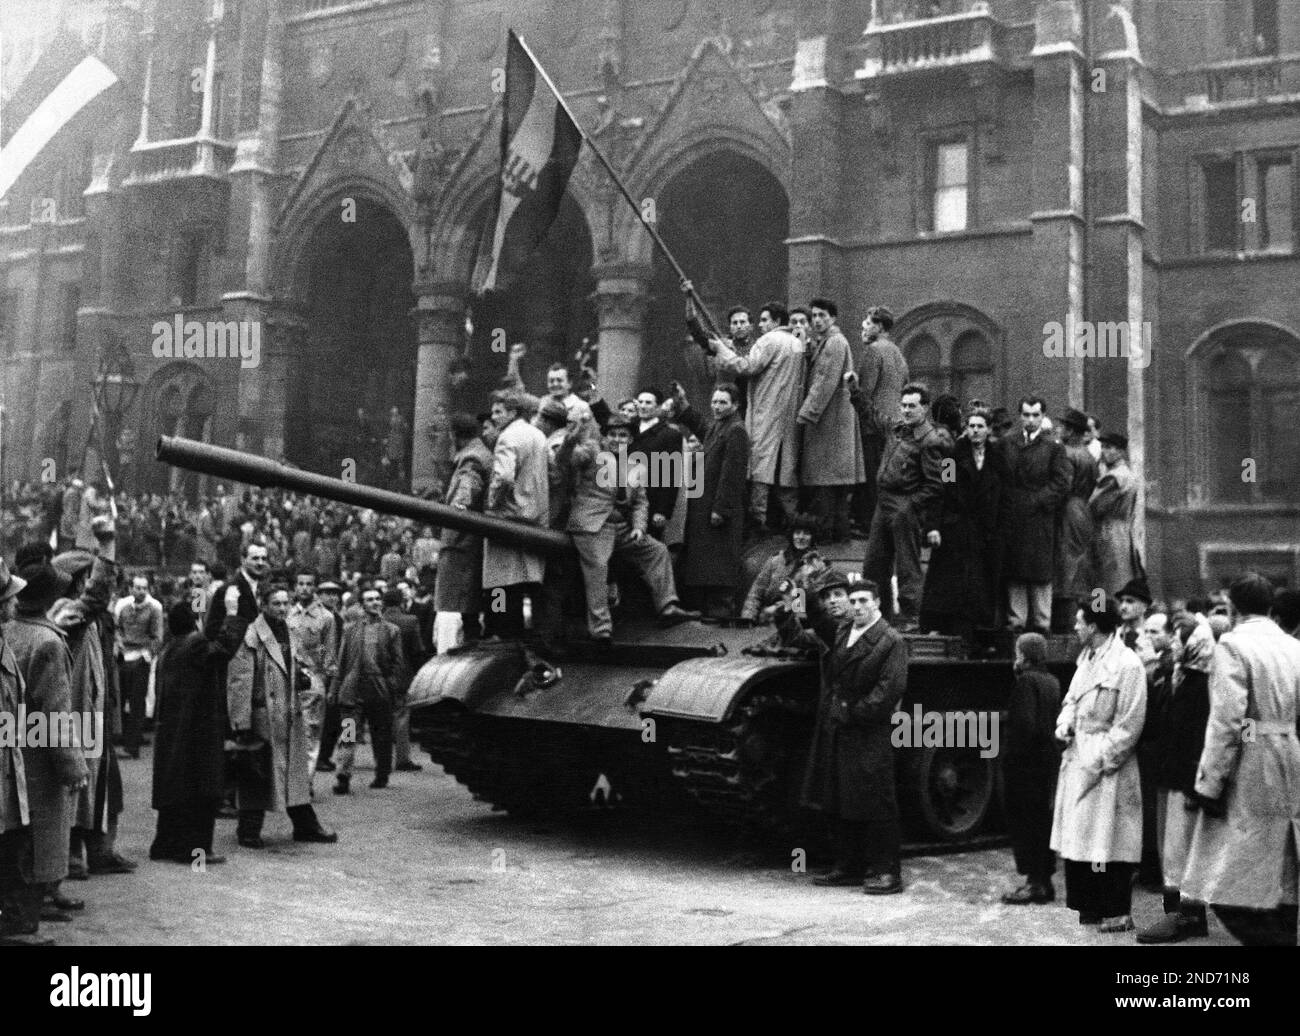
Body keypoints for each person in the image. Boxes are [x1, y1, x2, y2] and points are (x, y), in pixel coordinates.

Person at [1180, 571, 1300, 946]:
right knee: (1283, 858)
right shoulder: (1292, 645)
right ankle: (1282, 931)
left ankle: (1269, 939)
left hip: (1252, 759)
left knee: (1227, 869)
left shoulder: (1232, 645)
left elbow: (1228, 721)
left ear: (1232, 606)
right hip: (1290, 751)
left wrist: (1210, 782)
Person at [790, 577, 909, 893]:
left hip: (868, 730)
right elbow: (816, 624)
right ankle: (849, 865)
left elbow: (889, 690)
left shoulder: (890, 641)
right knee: (841, 798)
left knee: (876, 801)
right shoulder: (844, 630)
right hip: (840, 726)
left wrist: (854, 712)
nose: (856, 606)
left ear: (877, 603)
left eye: (863, 601)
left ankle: (887, 872)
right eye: (852, 601)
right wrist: (797, 592)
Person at [1050, 595, 1147, 932]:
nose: (1075, 627)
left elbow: (1129, 725)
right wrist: (1065, 724)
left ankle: (1117, 910)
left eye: (1079, 622)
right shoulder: (1087, 659)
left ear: (1093, 626)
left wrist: (1101, 758)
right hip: (1079, 754)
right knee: (1082, 838)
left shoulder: (1128, 664)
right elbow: (1072, 699)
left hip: (1107, 766)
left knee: (1110, 839)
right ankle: (1088, 905)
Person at [566, 415, 698, 646]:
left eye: (623, 435)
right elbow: (566, 459)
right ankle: (601, 629)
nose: (617, 439)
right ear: (606, 437)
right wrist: (571, 438)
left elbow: (640, 502)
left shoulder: (636, 466)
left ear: (631, 439)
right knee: (597, 566)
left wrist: (639, 527)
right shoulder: (591, 455)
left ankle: (668, 606)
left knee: (657, 550)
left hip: (621, 527)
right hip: (592, 525)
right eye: (613, 435)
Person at [7, 558, 89, 923]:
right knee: (46, 828)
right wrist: (73, 765)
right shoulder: (48, 641)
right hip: (42, 752)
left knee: (19, 828)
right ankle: (35, 901)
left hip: (14, 744)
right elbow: (55, 713)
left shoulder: (10, 630)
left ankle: (28, 898)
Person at [227, 584, 337, 848]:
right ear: (263, 605)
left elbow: (298, 662)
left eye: (286, 603)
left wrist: (300, 677)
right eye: (276, 603)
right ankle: (248, 830)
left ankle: (304, 825)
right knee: (257, 774)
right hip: (263, 717)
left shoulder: (289, 631)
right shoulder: (252, 635)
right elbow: (239, 681)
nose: (283, 608)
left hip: (289, 714)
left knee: (294, 773)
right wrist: (242, 723)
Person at [1135, 608, 1213, 943]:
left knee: (1182, 849)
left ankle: (1186, 917)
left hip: (1186, 776)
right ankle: (1178, 913)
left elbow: (1198, 735)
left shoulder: (1200, 684)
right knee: (1171, 848)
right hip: (1171, 773)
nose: (1174, 645)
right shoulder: (1179, 675)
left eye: (1180, 638)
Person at [695, 295, 805, 531]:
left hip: (767, 408)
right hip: (790, 411)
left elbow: (745, 367)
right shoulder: (796, 343)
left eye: (765, 320)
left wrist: (721, 350)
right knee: (786, 467)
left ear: (776, 321)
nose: (761, 325)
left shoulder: (769, 341)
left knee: (760, 464)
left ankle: (759, 520)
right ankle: (794, 521)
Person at [861, 383, 947, 631]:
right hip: (884, 502)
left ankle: (911, 619)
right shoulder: (897, 429)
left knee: (907, 566)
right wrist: (856, 391)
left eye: (912, 406)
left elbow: (936, 485)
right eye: (904, 405)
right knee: (874, 563)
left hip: (905, 504)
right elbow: (871, 415)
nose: (907, 410)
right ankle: (880, 616)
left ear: (925, 408)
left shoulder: (930, 441)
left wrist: (910, 506)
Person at [150, 601, 230, 865]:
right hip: (197, 733)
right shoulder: (194, 645)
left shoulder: (169, 649)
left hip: (172, 733)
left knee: (173, 790)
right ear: (195, 623)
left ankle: (165, 844)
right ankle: (196, 851)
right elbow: (224, 648)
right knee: (201, 791)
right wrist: (235, 613)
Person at [919, 404, 1009, 638]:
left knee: (979, 584)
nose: (975, 431)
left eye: (980, 427)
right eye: (971, 426)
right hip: (955, 530)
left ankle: (974, 632)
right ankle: (942, 628)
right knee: (949, 583)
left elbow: (1004, 496)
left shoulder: (998, 459)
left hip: (984, 532)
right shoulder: (951, 459)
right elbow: (941, 491)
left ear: (989, 430)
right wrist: (933, 527)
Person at [675, 383, 751, 619]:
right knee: (709, 563)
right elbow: (703, 426)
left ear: (735, 405)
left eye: (723, 403)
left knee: (719, 564)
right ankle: (711, 611)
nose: (717, 407)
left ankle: (721, 612)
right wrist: (685, 406)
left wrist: (721, 509)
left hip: (718, 509)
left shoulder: (736, 430)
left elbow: (732, 474)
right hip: (707, 505)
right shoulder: (721, 425)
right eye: (715, 401)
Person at [482, 389, 549, 639]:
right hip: (536, 521)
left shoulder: (507, 437)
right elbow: (553, 473)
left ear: (513, 412)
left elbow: (504, 477)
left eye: (499, 411)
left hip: (508, 520)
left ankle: (502, 638)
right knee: (524, 587)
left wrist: (492, 505)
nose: (494, 416)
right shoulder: (538, 435)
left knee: (500, 586)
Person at [1001, 632, 1062, 905]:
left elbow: (1025, 725)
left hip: (1026, 766)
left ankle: (1034, 884)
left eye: (1018, 652)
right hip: (1047, 763)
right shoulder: (1051, 680)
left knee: (1025, 823)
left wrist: (1011, 753)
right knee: (1041, 822)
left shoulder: (1026, 682)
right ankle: (1044, 882)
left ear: (1023, 655)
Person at [1002, 395, 1071, 634]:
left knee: (1040, 570)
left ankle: (1042, 623)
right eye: (1026, 415)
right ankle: (1016, 622)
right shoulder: (1008, 443)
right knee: (1015, 569)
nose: (1030, 420)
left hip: (1040, 518)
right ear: (1020, 416)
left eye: (1035, 415)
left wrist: (1039, 500)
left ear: (1043, 417)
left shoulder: (1053, 447)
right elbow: (1001, 477)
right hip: (1013, 517)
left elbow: (1062, 482)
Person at [331, 585, 407, 794]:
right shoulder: (350, 630)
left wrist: (391, 685)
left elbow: (397, 663)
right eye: (369, 599)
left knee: (381, 735)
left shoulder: (392, 630)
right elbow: (341, 661)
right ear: (362, 605)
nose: (374, 602)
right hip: (352, 690)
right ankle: (343, 775)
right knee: (348, 734)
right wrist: (335, 688)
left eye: (377, 599)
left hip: (379, 689)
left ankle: (382, 773)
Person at [0, 559, 40, 943]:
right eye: (9, 597)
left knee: (11, 845)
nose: (16, 603)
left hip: (8, 766)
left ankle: (12, 921)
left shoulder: (5, 643)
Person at [847, 305, 907, 534]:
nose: (864, 326)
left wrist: (852, 386)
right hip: (894, 425)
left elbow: (865, 393)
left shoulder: (874, 351)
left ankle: (868, 524)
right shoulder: (898, 353)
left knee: (871, 475)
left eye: (868, 322)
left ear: (880, 326)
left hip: (873, 425)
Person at [435, 414, 493, 653]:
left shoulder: (471, 458)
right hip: (469, 541)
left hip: (465, 543)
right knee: (468, 599)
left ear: (454, 435)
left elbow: (467, 490)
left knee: (466, 597)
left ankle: (472, 641)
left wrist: (458, 505)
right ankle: (472, 638)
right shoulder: (479, 453)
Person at [287, 572, 337, 780]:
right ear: (295, 587)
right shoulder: (288, 613)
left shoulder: (326, 618)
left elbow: (327, 650)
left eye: (309, 584)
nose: (304, 588)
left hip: (311, 677)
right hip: (288, 677)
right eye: (300, 584)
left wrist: (324, 678)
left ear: (314, 587)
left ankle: (305, 782)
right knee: (289, 730)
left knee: (310, 731)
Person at [1053, 408, 1098, 632]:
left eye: (1062, 426)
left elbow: (1063, 487)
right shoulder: (1088, 455)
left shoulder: (1067, 453)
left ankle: (1067, 625)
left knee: (1065, 566)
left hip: (1068, 510)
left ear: (1071, 431)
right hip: (1083, 510)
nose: (1059, 430)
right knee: (1079, 563)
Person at [741, 513, 827, 624]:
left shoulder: (820, 565)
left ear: (813, 537)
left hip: (801, 623)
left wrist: (778, 609)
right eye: (797, 533)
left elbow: (813, 602)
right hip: (768, 621)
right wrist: (748, 619)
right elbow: (755, 593)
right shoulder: (776, 560)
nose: (800, 537)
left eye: (806, 534)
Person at [114, 573, 163, 759]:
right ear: (130, 588)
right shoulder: (124, 607)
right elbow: (118, 628)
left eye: (144, 588)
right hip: (124, 657)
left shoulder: (154, 609)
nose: (140, 591)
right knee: (122, 700)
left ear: (148, 589)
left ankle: (132, 745)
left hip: (141, 657)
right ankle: (124, 739)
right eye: (137, 587)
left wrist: (147, 656)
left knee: (137, 702)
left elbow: (157, 637)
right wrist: (118, 645)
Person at [1089, 432, 1141, 593]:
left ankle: (1099, 614)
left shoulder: (1113, 478)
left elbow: (1094, 507)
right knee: (1121, 578)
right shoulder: (1128, 474)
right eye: (1103, 447)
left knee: (1102, 582)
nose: (1104, 451)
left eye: (1109, 448)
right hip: (1124, 533)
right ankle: (1112, 614)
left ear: (1120, 452)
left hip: (1107, 532)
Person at [629, 388, 683, 541]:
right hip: (628, 499)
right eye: (640, 402)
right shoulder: (629, 430)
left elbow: (671, 474)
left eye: (648, 402)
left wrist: (663, 511)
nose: (643, 406)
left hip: (653, 501)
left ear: (658, 407)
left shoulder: (669, 435)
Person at [381, 588, 425, 772]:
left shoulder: (376, 621)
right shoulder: (410, 621)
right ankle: (402, 758)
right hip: (402, 675)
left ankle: (381, 759)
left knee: (380, 716)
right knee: (401, 716)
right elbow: (417, 651)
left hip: (378, 676)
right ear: (401, 602)